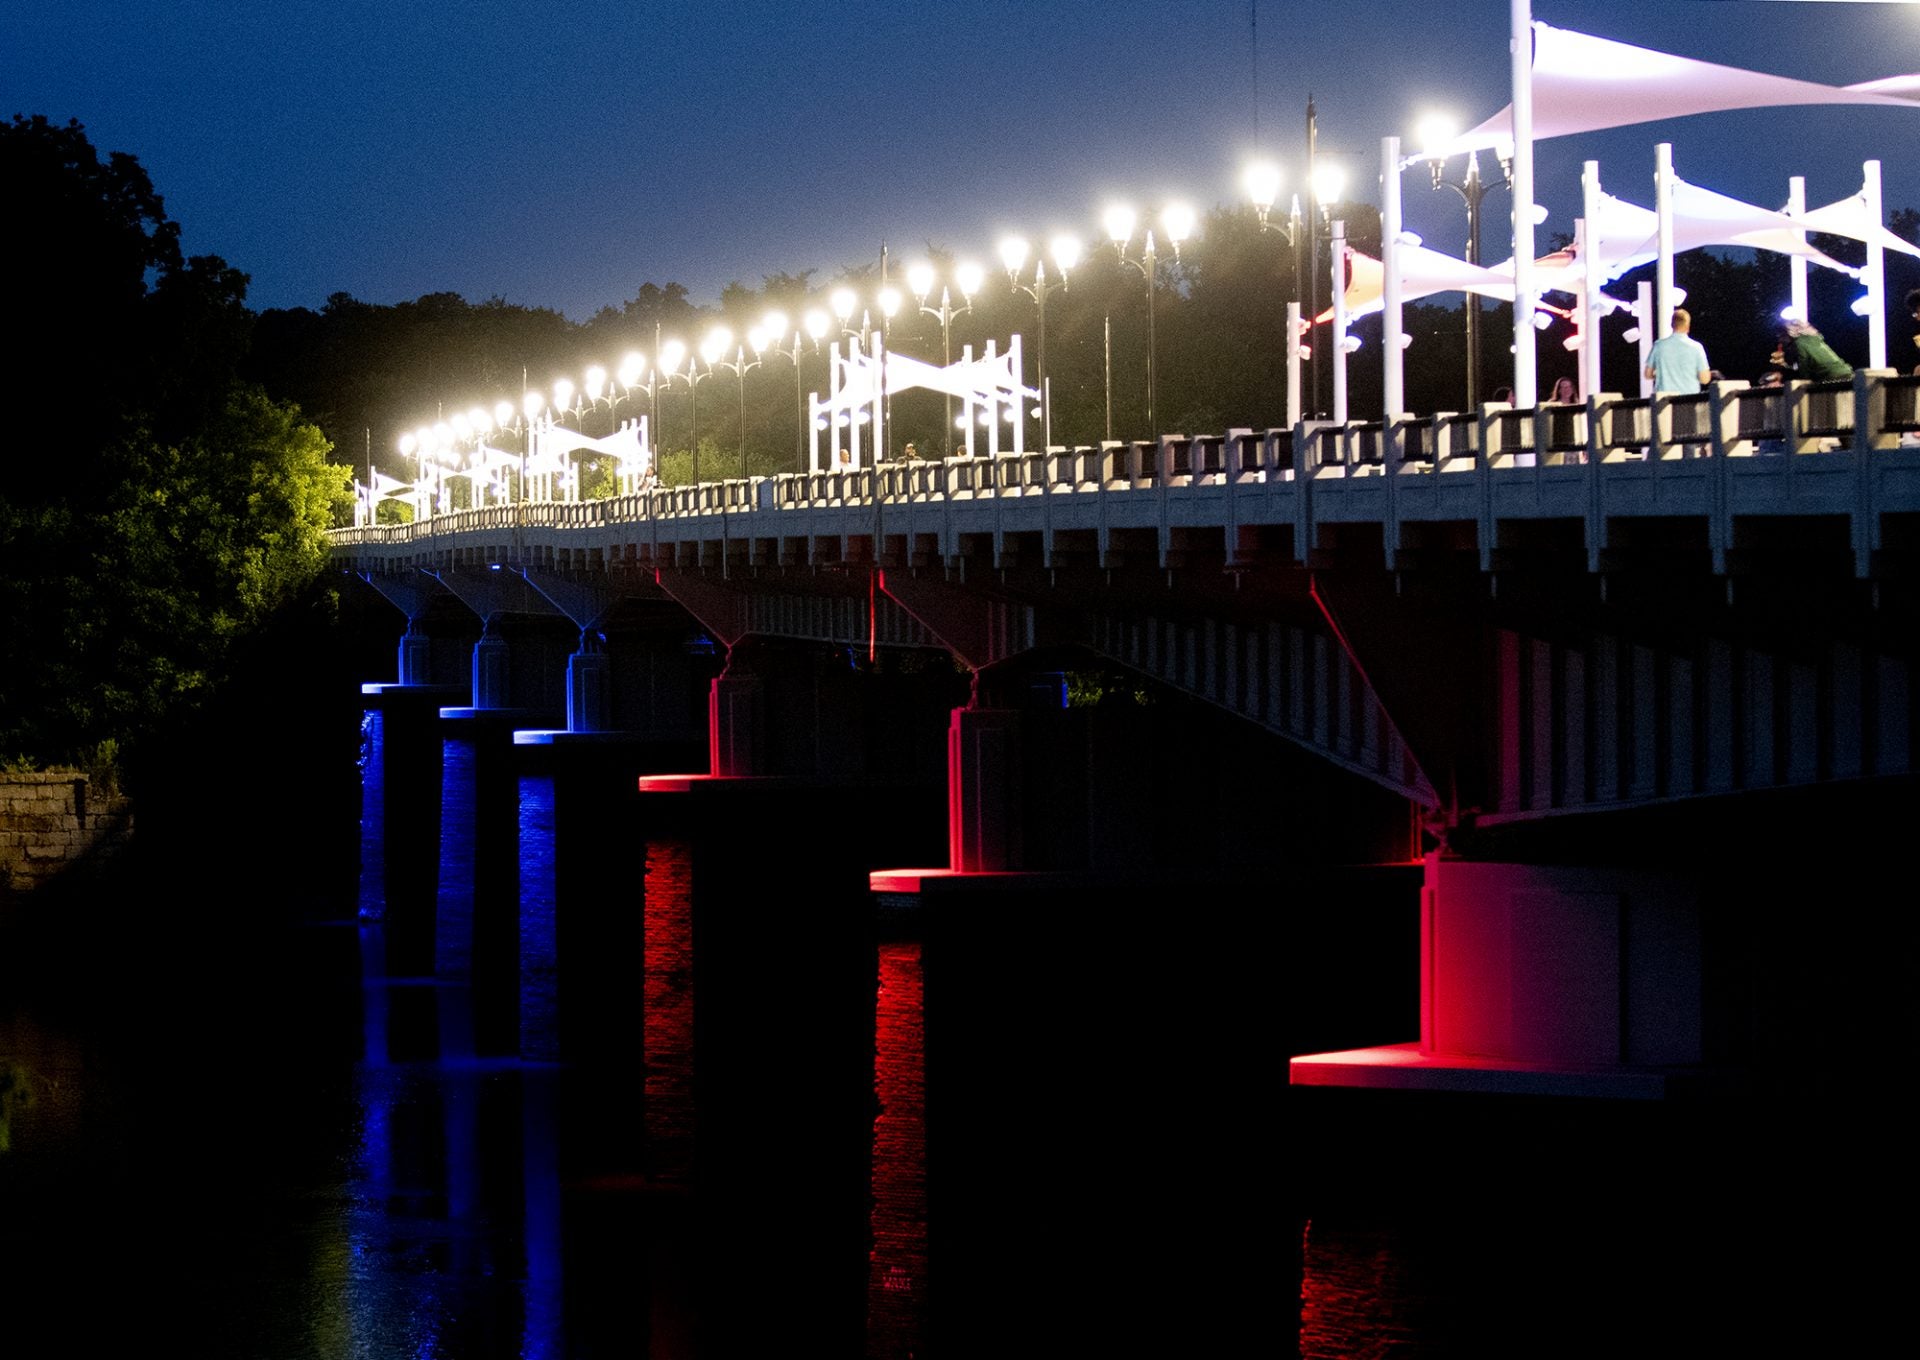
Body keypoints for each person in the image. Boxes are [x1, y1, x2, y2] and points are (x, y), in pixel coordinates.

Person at [1645, 308, 1711, 394]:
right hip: (1689, 400)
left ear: (1672, 325)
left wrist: (1662, 375)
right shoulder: (1697, 347)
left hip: (1664, 401)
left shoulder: (1659, 346)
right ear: (1688, 326)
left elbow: (1647, 374)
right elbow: (1705, 379)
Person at [1770, 318, 1852, 382]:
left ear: (1788, 333)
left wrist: (1785, 369)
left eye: (1780, 336)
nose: (1780, 340)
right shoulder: (1814, 338)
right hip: (1845, 371)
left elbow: (1804, 368)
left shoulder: (1799, 343)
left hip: (1831, 376)